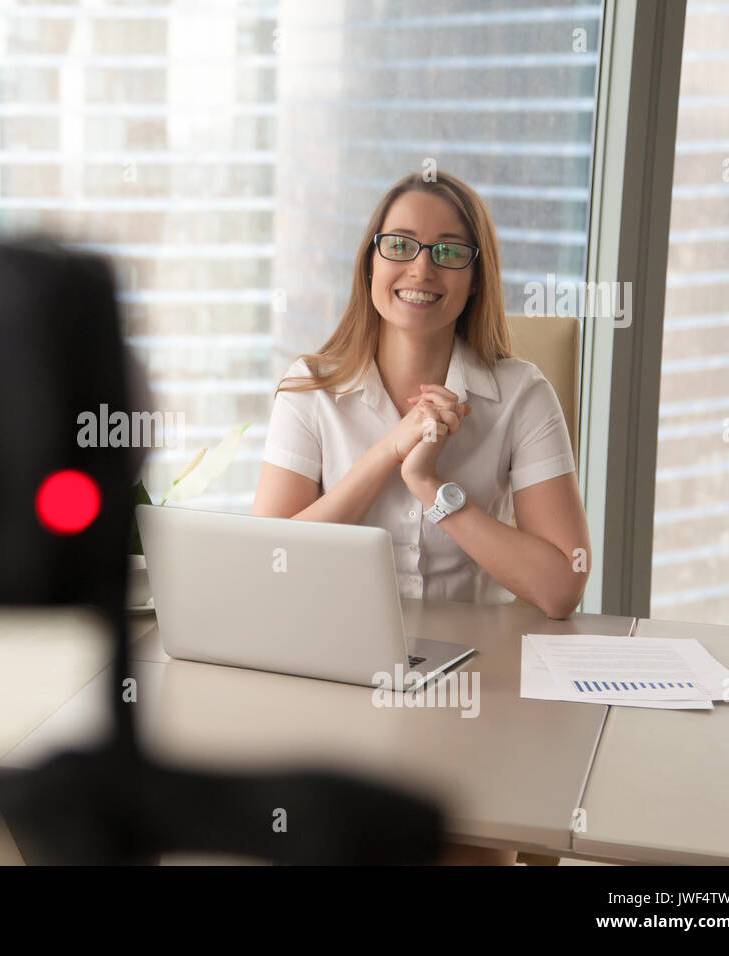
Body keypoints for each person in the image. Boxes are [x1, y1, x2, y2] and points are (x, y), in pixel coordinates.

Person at [253, 171, 591, 865]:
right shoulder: (309, 390)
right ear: (371, 261)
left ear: (475, 277)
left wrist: (431, 486)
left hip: (479, 692)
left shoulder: (522, 396)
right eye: (400, 245)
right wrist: (387, 452)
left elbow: (561, 585)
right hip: (334, 681)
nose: (421, 268)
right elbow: (272, 564)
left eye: (448, 252)